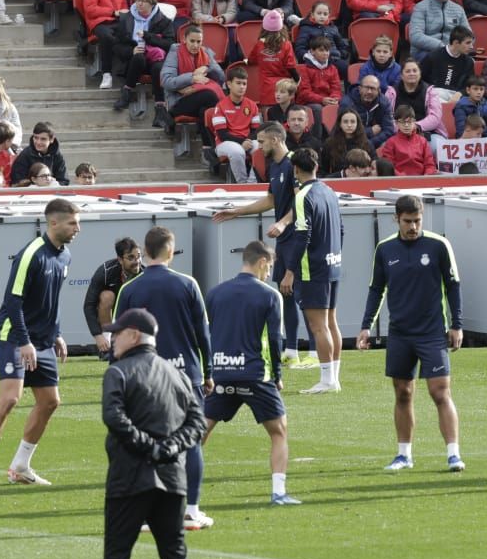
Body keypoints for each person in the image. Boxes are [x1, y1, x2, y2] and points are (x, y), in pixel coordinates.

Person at [0, 197, 80, 490]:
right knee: (9, 399)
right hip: (13, 335)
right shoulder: (31, 254)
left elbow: (52, 302)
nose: (77, 228)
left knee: (50, 402)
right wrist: (24, 342)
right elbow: (12, 301)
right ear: (53, 222)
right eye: (73, 222)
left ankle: (20, 465)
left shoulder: (64, 256)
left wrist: (55, 333)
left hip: (42, 340)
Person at [114, 226, 213, 531]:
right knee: (191, 441)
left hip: (145, 376)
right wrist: (209, 371)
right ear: (170, 250)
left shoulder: (129, 288)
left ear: (144, 252)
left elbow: (118, 336)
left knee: (144, 442)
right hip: (186, 373)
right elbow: (203, 333)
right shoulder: (188, 284)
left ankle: (146, 514)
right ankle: (191, 510)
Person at [99, 307, 206, 559]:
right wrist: (168, 448)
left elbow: (113, 417)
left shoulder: (118, 372)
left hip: (128, 479)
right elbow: (196, 424)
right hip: (171, 480)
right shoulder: (178, 375)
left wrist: (149, 447)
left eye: (117, 334)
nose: (113, 340)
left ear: (134, 336)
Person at [357, 194, 466, 473]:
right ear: (396, 219)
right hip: (400, 334)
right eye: (407, 222)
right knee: (403, 393)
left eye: (417, 221)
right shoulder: (385, 250)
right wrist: (366, 326)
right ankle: (403, 455)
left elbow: (453, 285)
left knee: (440, 392)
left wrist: (457, 324)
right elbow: (376, 289)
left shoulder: (439, 245)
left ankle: (454, 454)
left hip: (432, 332)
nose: (413, 227)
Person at [202, 239, 298, 506]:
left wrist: (209, 371)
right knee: (279, 432)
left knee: (199, 431)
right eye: (269, 268)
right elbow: (276, 340)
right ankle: (278, 493)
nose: (269, 274)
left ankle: (179, 487)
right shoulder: (269, 295)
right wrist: (277, 375)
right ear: (262, 262)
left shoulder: (215, 293)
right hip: (255, 375)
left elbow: (207, 335)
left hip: (221, 372)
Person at [211, 121, 312, 368]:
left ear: (276, 140)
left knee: (304, 296)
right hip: (284, 241)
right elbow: (271, 200)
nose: (260, 146)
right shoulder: (274, 166)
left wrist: (283, 224)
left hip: (298, 237)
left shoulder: (292, 165)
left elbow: (301, 202)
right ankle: (291, 350)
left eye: (263, 141)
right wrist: (238, 211)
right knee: (285, 293)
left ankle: (316, 352)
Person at [276, 148, 344, 394]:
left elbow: (303, 235)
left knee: (318, 326)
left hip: (312, 268)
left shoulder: (303, 196)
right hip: (333, 263)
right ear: (316, 166)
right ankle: (333, 378)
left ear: (295, 169)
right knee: (331, 322)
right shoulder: (329, 191)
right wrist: (336, 256)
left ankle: (327, 380)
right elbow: (341, 229)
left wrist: (290, 271)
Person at [84, 237, 142, 357]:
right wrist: (98, 335)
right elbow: (89, 305)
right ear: (120, 260)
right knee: (106, 296)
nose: (137, 261)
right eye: (131, 257)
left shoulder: (145, 273)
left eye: (139, 256)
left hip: (134, 311)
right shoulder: (105, 272)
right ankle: (106, 347)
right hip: (113, 311)